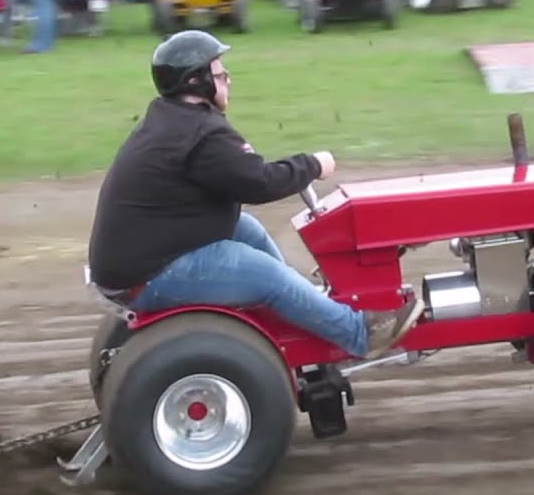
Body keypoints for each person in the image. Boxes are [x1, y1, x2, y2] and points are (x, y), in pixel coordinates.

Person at [87, 30, 425, 361]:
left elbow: (239, 173)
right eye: (220, 74)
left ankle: (306, 310)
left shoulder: (169, 119)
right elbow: (259, 183)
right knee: (264, 273)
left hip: (136, 263)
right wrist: (313, 165)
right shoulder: (201, 133)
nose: (228, 80)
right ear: (196, 82)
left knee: (245, 229)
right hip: (145, 279)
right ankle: (359, 334)